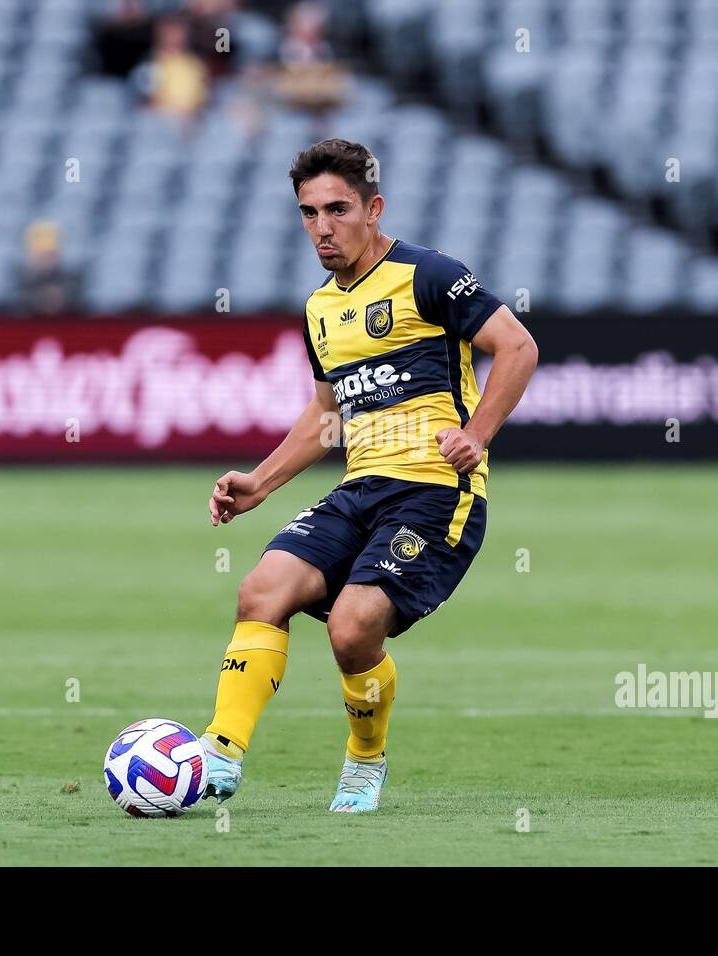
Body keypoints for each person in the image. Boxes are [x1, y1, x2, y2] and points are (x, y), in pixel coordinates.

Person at [199, 138, 538, 812]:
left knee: (352, 628)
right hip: (361, 488)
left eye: (337, 209)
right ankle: (218, 753)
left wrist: (476, 435)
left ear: (372, 208)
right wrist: (259, 484)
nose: (321, 228)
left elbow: (518, 347)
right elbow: (327, 415)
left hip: (436, 493)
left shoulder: (430, 275)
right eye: (307, 213)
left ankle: (364, 760)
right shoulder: (320, 310)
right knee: (261, 591)